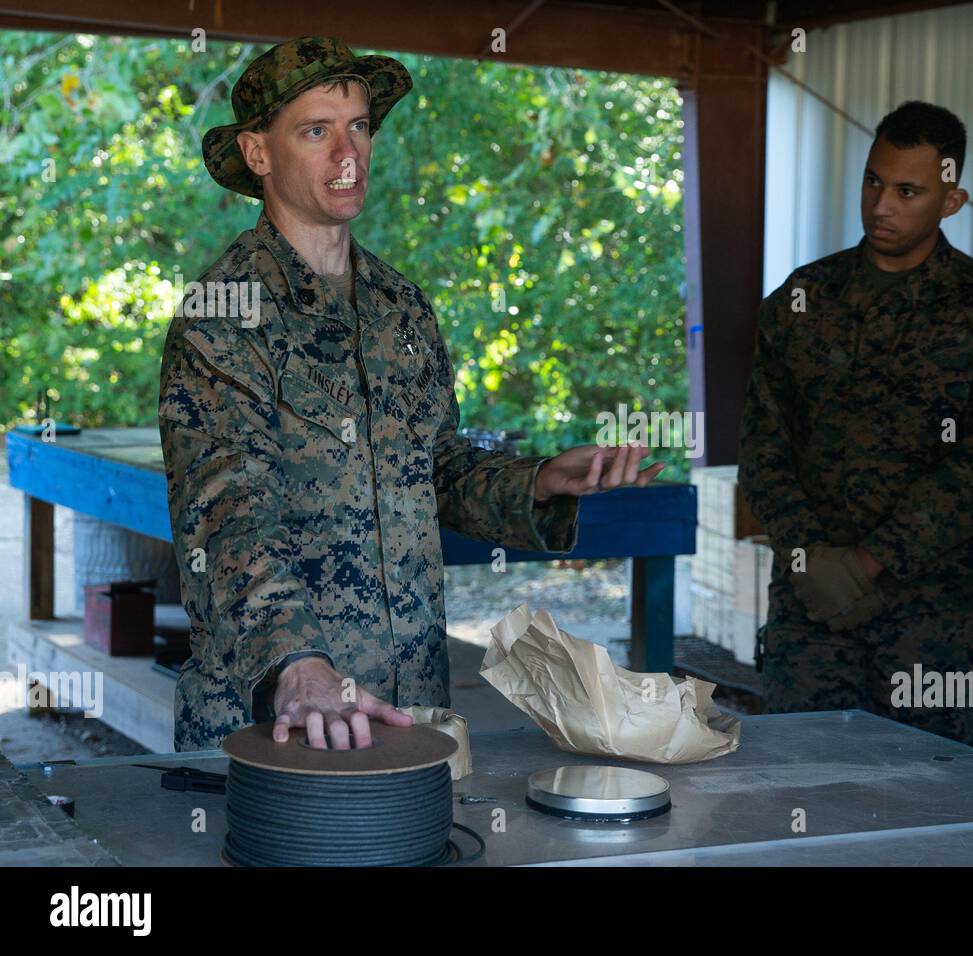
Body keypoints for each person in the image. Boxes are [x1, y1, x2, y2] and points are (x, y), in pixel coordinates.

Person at [161, 36, 662, 751]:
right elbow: (227, 517)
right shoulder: (225, 313)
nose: (348, 153)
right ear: (259, 152)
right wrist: (296, 666)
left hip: (408, 710)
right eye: (316, 131)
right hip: (278, 716)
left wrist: (542, 479)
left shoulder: (401, 307)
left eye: (359, 126)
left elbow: (436, 470)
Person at [738, 100, 973, 750]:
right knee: (800, 784)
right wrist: (810, 559)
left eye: (908, 190)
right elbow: (764, 444)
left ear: (951, 199)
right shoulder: (804, 299)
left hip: (931, 614)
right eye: (873, 181)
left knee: (941, 797)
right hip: (810, 609)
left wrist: (870, 561)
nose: (881, 205)